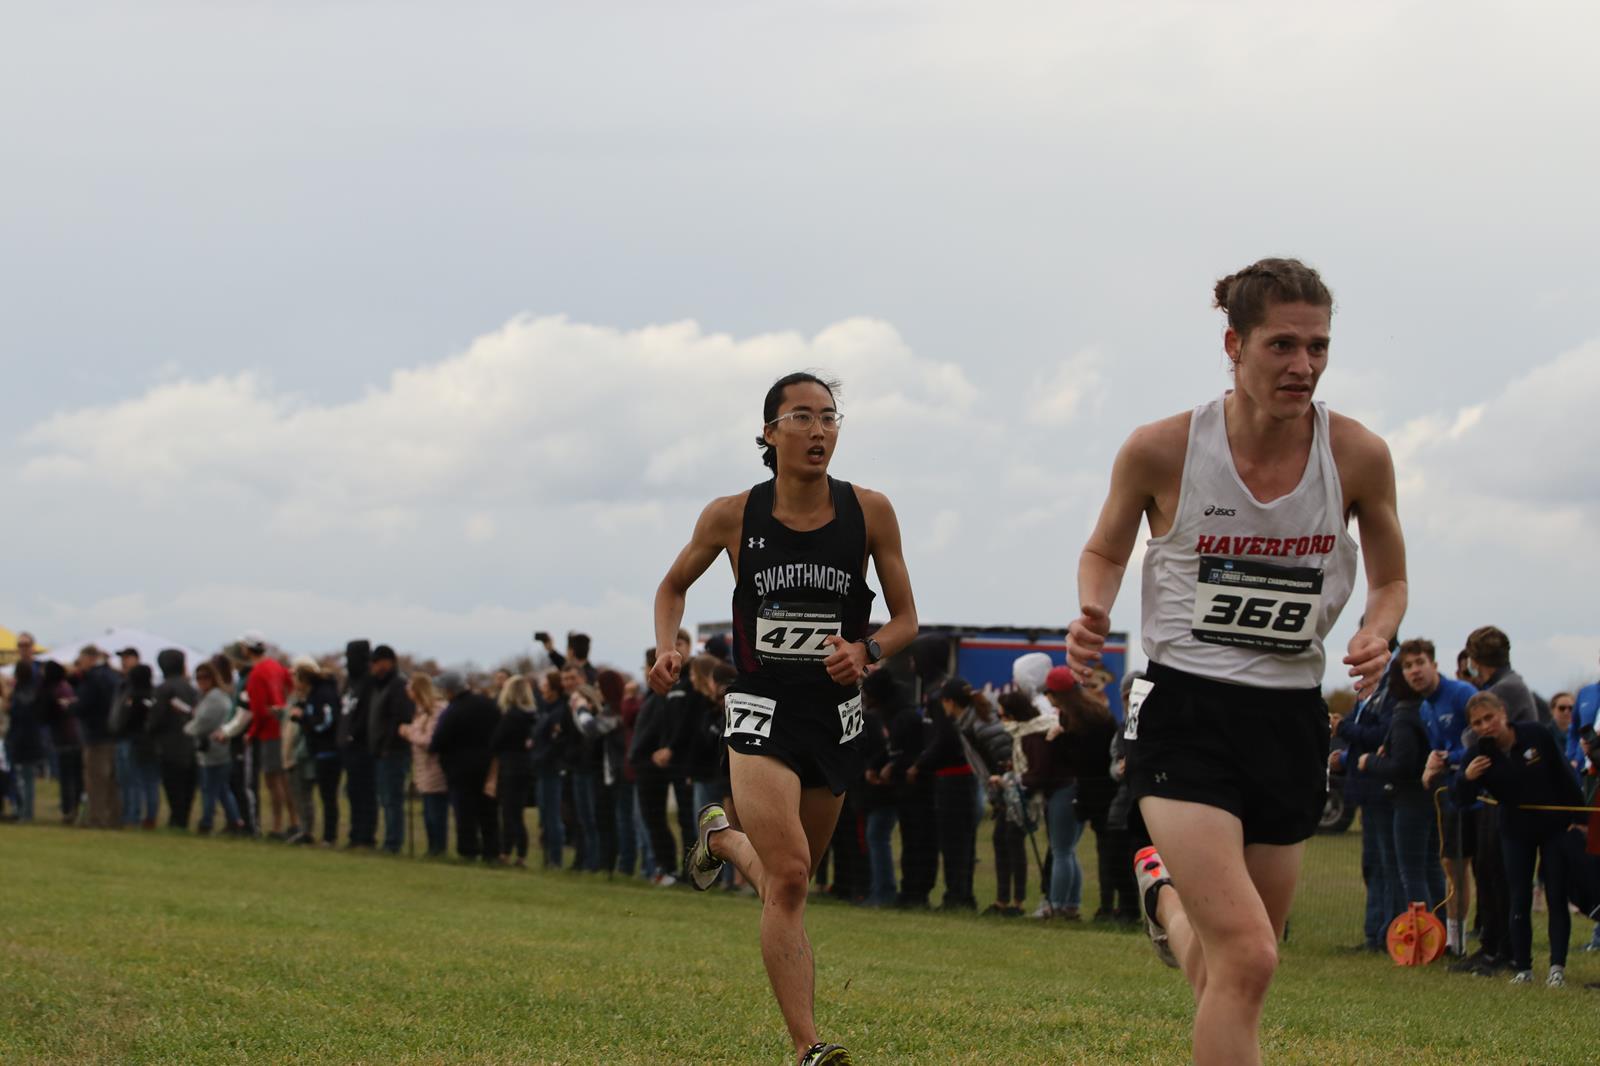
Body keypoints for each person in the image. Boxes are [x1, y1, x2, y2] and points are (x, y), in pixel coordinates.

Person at [1066, 259, 1406, 1066]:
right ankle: (1170, 897)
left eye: (1318, 346)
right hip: (1185, 708)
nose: (1304, 365)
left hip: (1290, 717)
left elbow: (1389, 577)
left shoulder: (1357, 454)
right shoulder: (1163, 448)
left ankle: (1166, 900)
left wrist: (1378, 631)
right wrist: (1093, 610)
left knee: (1236, 967)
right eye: (1282, 344)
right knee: (1251, 956)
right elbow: (1105, 549)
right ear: (1234, 344)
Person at [651, 371, 918, 1066]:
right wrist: (667, 647)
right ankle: (808, 1047)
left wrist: (866, 651)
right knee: (792, 874)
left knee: (785, 884)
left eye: (830, 417)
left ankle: (718, 838)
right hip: (760, 706)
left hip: (834, 716)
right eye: (802, 417)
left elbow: (908, 620)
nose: (820, 429)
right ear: (769, 433)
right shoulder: (732, 515)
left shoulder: (871, 512)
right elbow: (672, 586)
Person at [1451, 691, 1588, 987]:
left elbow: (1565, 776)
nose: (1486, 725)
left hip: (1555, 828)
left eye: (1490, 717)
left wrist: (1581, 819)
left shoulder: (1535, 734)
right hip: (1514, 831)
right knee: (1518, 897)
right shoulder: (1478, 754)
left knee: (1555, 894)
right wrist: (1467, 778)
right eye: (1478, 722)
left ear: (1503, 712)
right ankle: (1523, 967)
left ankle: (1557, 968)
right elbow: (1460, 800)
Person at [1399, 637, 1477, 954]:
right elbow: (1440, 749)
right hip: (1450, 795)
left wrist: (1447, 757)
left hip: (1479, 796)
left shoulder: (1461, 694)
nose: (1415, 671)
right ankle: (1454, 942)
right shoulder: (1426, 706)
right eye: (1408, 666)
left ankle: (1487, 941)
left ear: (1434, 665)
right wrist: (1434, 762)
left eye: (1420, 663)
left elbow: (1479, 741)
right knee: (1451, 866)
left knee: (1473, 867)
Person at [430, 671, 499, 863]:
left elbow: (438, 741)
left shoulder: (452, 711)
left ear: (451, 691)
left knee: (465, 811)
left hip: (459, 768)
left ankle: (468, 850)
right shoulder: (488, 704)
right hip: (486, 765)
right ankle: (491, 850)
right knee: (488, 811)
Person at [241, 632, 294, 838]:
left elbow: (259, 710)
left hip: (269, 731)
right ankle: (293, 821)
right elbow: (290, 688)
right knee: (284, 778)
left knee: (273, 781)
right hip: (282, 727)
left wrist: (251, 733)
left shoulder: (256, 673)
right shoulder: (275, 666)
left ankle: (278, 826)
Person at [186, 660, 245, 835]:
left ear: (213, 678)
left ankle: (206, 822)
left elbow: (202, 723)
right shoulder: (212, 697)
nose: (201, 681)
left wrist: (187, 729)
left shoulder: (215, 698)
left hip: (216, 750)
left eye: (205, 677)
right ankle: (235, 821)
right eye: (198, 678)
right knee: (221, 788)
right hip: (214, 750)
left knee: (210, 788)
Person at [365, 645, 414, 854]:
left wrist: (387, 746)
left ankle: (393, 842)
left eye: (376, 663)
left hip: (393, 752)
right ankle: (389, 839)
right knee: (385, 799)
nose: (373, 667)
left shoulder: (397, 686)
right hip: (379, 752)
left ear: (387, 662)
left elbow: (399, 718)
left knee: (392, 799)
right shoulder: (379, 686)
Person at [289, 659, 343, 846]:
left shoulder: (323, 694)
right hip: (319, 752)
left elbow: (324, 722)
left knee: (329, 797)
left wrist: (305, 718)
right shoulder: (312, 695)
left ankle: (330, 836)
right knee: (324, 796)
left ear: (304, 679)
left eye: (296, 678)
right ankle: (323, 835)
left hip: (328, 752)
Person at [397, 671, 449, 857]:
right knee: (427, 811)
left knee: (436, 811)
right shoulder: (420, 712)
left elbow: (429, 740)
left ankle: (438, 847)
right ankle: (432, 846)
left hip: (434, 767)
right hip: (422, 768)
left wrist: (409, 733)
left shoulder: (437, 711)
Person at [490, 674, 538, 866]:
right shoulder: (532, 716)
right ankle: (521, 852)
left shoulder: (510, 716)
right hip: (526, 766)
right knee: (517, 812)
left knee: (509, 812)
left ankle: (506, 851)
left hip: (510, 765)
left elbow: (495, 742)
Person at [530, 669, 574, 869]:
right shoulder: (546, 709)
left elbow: (556, 742)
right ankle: (548, 856)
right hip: (542, 768)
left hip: (551, 769)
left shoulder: (559, 711)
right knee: (545, 814)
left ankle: (555, 858)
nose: (542, 689)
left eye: (545, 686)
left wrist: (539, 756)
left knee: (553, 815)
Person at [150, 650, 198, 829]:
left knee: (173, 784)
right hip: (190, 743)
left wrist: (150, 731)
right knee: (187, 785)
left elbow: (156, 718)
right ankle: (183, 817)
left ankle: (177, 819)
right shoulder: (191, 688)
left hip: (169, 743)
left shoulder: (163, 689)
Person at [338, 640, 378, 849]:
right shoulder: (349, 682)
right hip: (347, 747)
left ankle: (366, 835)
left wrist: (354, 734)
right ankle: (355, 834)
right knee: (353, 791)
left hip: (363, 747)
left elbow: (366, 715)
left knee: (366, 792)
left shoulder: (369, 682)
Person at [39, 661, 82, 825]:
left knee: (67, 776)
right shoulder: (64, 687)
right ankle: (70, 808)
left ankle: (69, 809)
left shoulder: (58, 689)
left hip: (66, 738)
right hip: (67, 737)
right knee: (69, 776)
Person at [5, 662, 45, 822]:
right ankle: (25, 811)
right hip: (31, 738)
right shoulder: (33, 690)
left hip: (22, 740)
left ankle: (25, 812)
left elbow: (17, 714)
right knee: (26, 778)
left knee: (23, 778)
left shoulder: (21, 692)